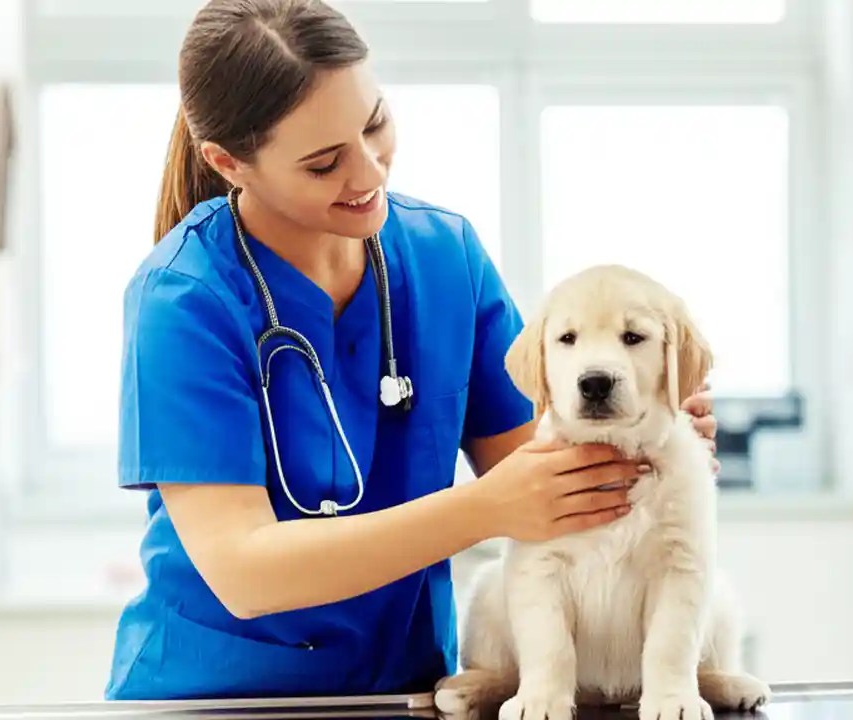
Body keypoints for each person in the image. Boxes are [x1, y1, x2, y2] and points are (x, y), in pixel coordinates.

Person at [105, 0, 720, 702]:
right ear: (228, 163)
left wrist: (642, 434)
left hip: (407, 688)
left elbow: (546, 482)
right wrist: (484, 509)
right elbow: (245, 572)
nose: (369, 173)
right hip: (222, 697)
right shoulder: (185, 299)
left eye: (374, 124)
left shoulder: (443, 258)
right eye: (324, 162)